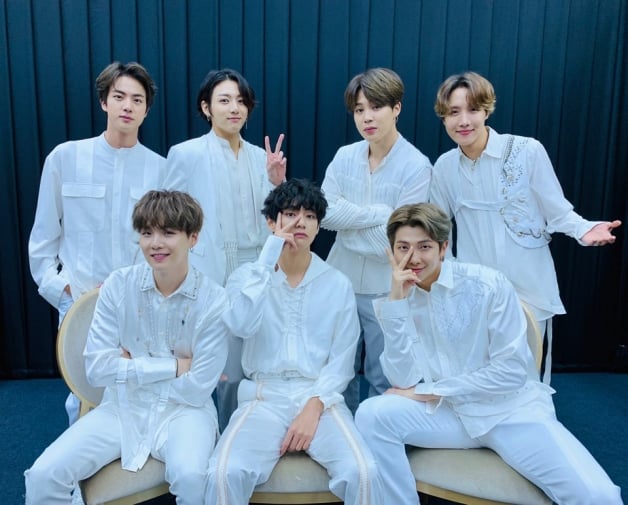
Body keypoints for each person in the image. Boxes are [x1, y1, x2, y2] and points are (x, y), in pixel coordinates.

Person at [354, 202, 622, 505]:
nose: (412, 258)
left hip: (510, 413)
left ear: (443, 248)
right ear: (391, 251)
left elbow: (511, 372)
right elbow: (402, 380)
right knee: (372, 415)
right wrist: (396, 304)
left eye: (424, 246)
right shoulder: (398, 297)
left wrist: (430, 391)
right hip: (449, 415)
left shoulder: (487, 284)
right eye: (403, 247)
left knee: (599, 496)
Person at [24, 190, 229, 505]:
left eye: (168, 232)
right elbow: (97, 370)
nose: (155, 243)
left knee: (192, 479)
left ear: (193, 238)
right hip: (122, 408)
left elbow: (198, 388)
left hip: (184, 413)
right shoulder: (118, 286)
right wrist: (173, 366)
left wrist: (128, 368)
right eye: (147, 233)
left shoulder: (214, 300)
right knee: (42, 476)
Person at [429, 71, 621, 382]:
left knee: (528, 376)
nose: (463, 121)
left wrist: (584, 229)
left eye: (473, 109)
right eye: (453, 112)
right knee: (479, 375)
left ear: (487, 110)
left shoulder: (526, 151)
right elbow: (439, 230)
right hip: (475, 288)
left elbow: (557, 211)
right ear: (443, 117)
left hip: (529, 284)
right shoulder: (444, 166)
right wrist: (449, 282)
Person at [206, 179, 382, 505]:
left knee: (364, 472)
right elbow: (241, 325)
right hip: (263, 397)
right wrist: (267, 260)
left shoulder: (337, 284)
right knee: (224, 473)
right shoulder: (245, 278)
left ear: (318, 227)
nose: (300, 222)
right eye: (290, 214)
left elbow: (342, 362)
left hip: (320, 397)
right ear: (271, 222)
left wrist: (314, 407)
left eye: (310, 216)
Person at [28, 61, 166, 423]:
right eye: (119, 96)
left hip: (139, 302)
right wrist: (62, 291)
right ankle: (80, 459)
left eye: (137, 99)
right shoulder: (65, 158)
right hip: (80, 300)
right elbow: (43, 237)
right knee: (84, 395)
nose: (127, 106)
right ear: (104, 101)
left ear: (146, 110)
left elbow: (167, 243)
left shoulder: (161, 169)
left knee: (139, 392)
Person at [164, 68, 286, 430]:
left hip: (258, 266)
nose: (234, 108)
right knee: (220, 366)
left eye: (241, 101)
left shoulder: (260, 156)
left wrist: (277, 182)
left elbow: (277, 215)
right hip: (210, 268)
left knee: (258, 359)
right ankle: (214, 435)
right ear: (206, 108)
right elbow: (168, 217)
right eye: (224, 100)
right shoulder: (186, 154)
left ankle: (250, 432)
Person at [321, 67, 432, 412]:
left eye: (376, 107)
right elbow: (324, 215)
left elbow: (400, 240)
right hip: (339, 279)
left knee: (384, 374)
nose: (366, 117)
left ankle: (377, 433)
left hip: (387, 286)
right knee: (337, 371)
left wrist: (350, 225)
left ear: (396, 108)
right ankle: (341, 432)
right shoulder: (344, 156)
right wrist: (381, 214)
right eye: (359, 109)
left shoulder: (416, 166)